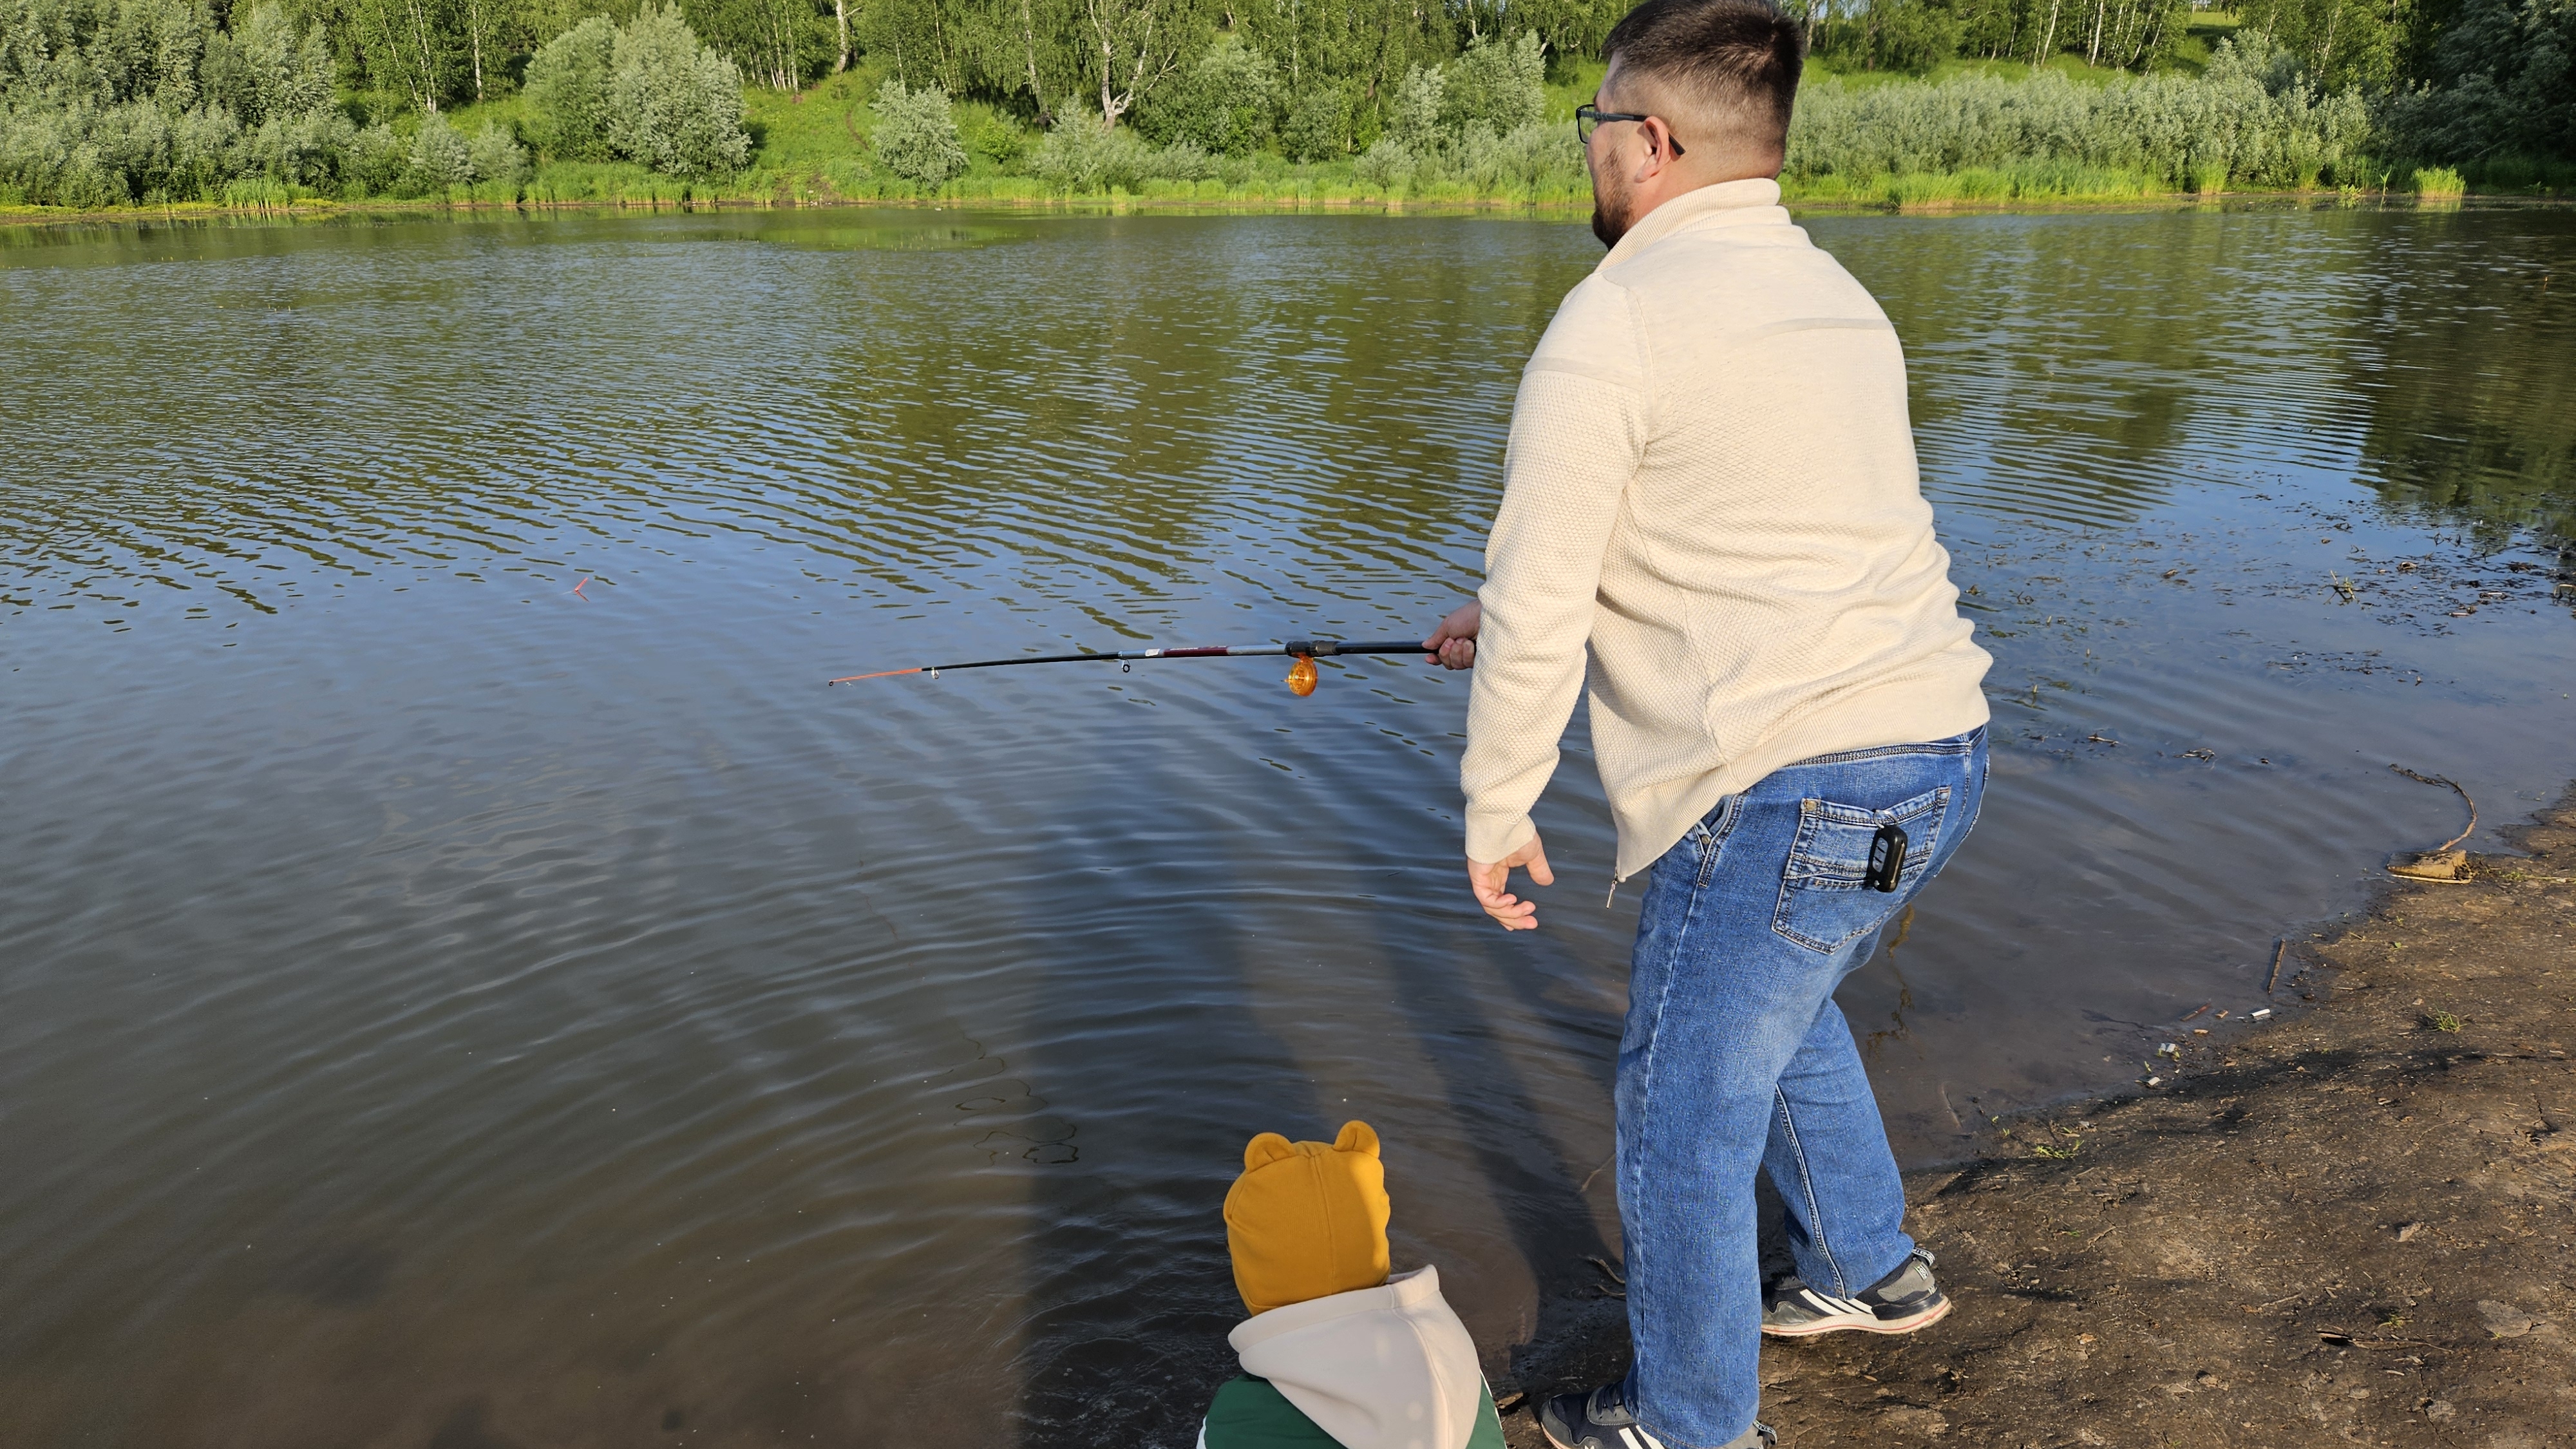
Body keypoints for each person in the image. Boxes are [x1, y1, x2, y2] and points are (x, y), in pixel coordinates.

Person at [1417, 2, 1994, 1446]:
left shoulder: (1611, 323)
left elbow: (1544, 603)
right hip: (1930, 766)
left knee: (1679, 1106)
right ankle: (1869, 1271)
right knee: (1779, 1010)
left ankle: (1683, 1421)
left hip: (1781, 794)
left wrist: (1495, 814)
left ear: (1652, 143)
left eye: (1594, 126)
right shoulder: (1827, 296)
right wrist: (1526, 610)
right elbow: (1757, 529)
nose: (1588, 151)